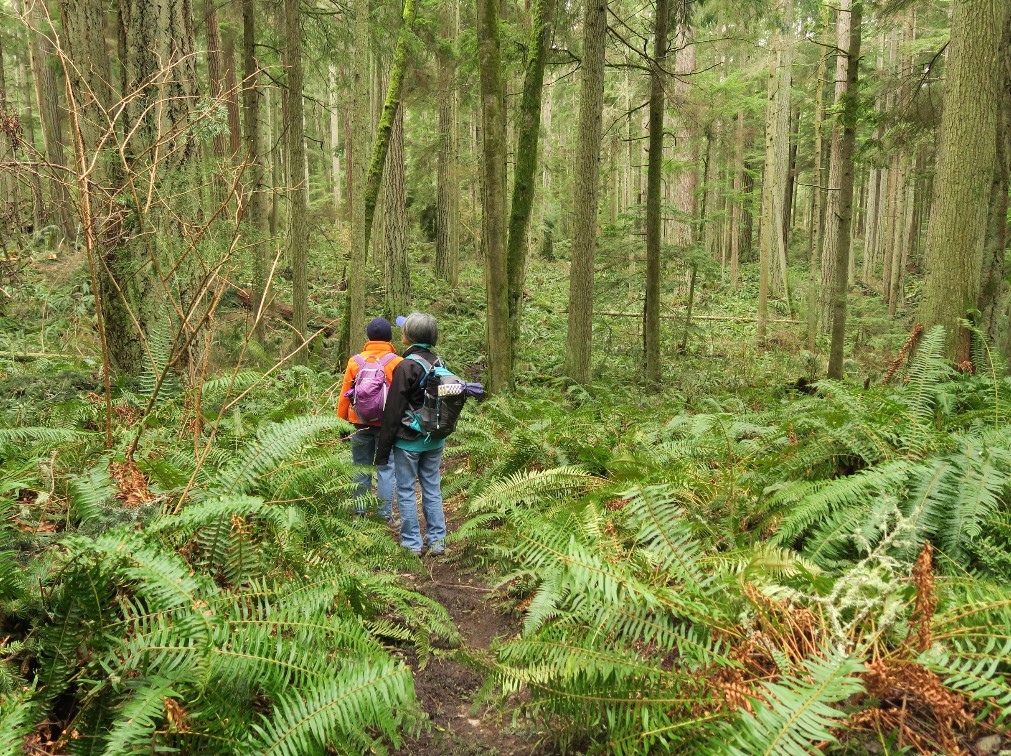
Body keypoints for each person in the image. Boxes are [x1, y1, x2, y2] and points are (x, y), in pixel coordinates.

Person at [376, 312, 447, 555]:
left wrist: (383, 449)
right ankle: (437, 541)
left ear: (411, 336)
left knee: (406, 490)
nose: (401, 332)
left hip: (408, 441)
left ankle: (412, 543)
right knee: (431, 488)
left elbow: (393, 409)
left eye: (404, 329)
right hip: (435, 439)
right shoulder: (440, 363)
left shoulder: (406, 366)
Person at [337, 317, 402, 520]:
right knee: (386, 468)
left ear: (368, 337)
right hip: (386, 425)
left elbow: (345, 392)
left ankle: (359, 512)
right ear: (390, 338)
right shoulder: (396, 362)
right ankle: (384, 515)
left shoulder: (355, 361)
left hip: (359, 422)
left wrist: (342, 422)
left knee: (360, 466)